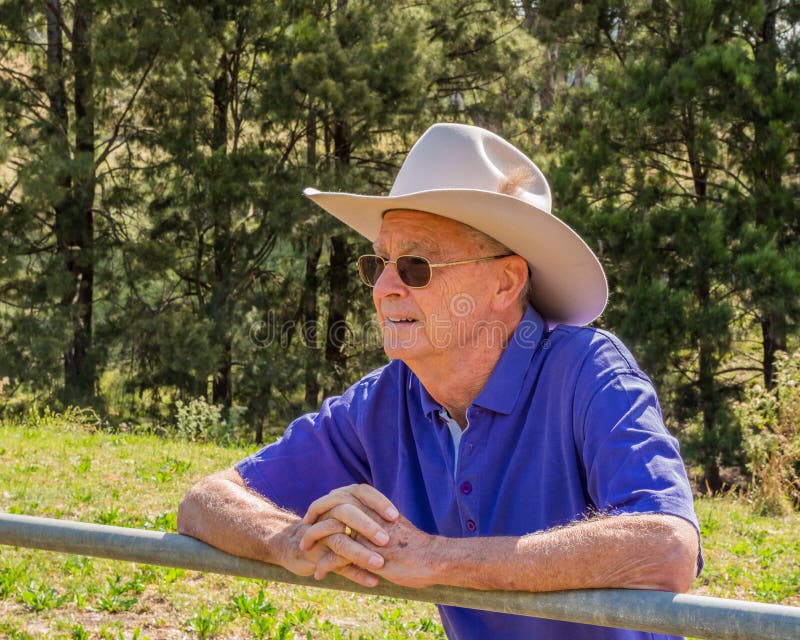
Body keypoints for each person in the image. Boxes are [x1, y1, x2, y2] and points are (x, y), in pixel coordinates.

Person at [178, 123, 701, 639]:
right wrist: (287, 540)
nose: (383, 288)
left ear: (505, 281)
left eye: (415, 265)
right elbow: (204, 503)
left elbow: (667, 548)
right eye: (378, 262)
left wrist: (439, 557)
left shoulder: (591, 372)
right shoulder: (384, 400)